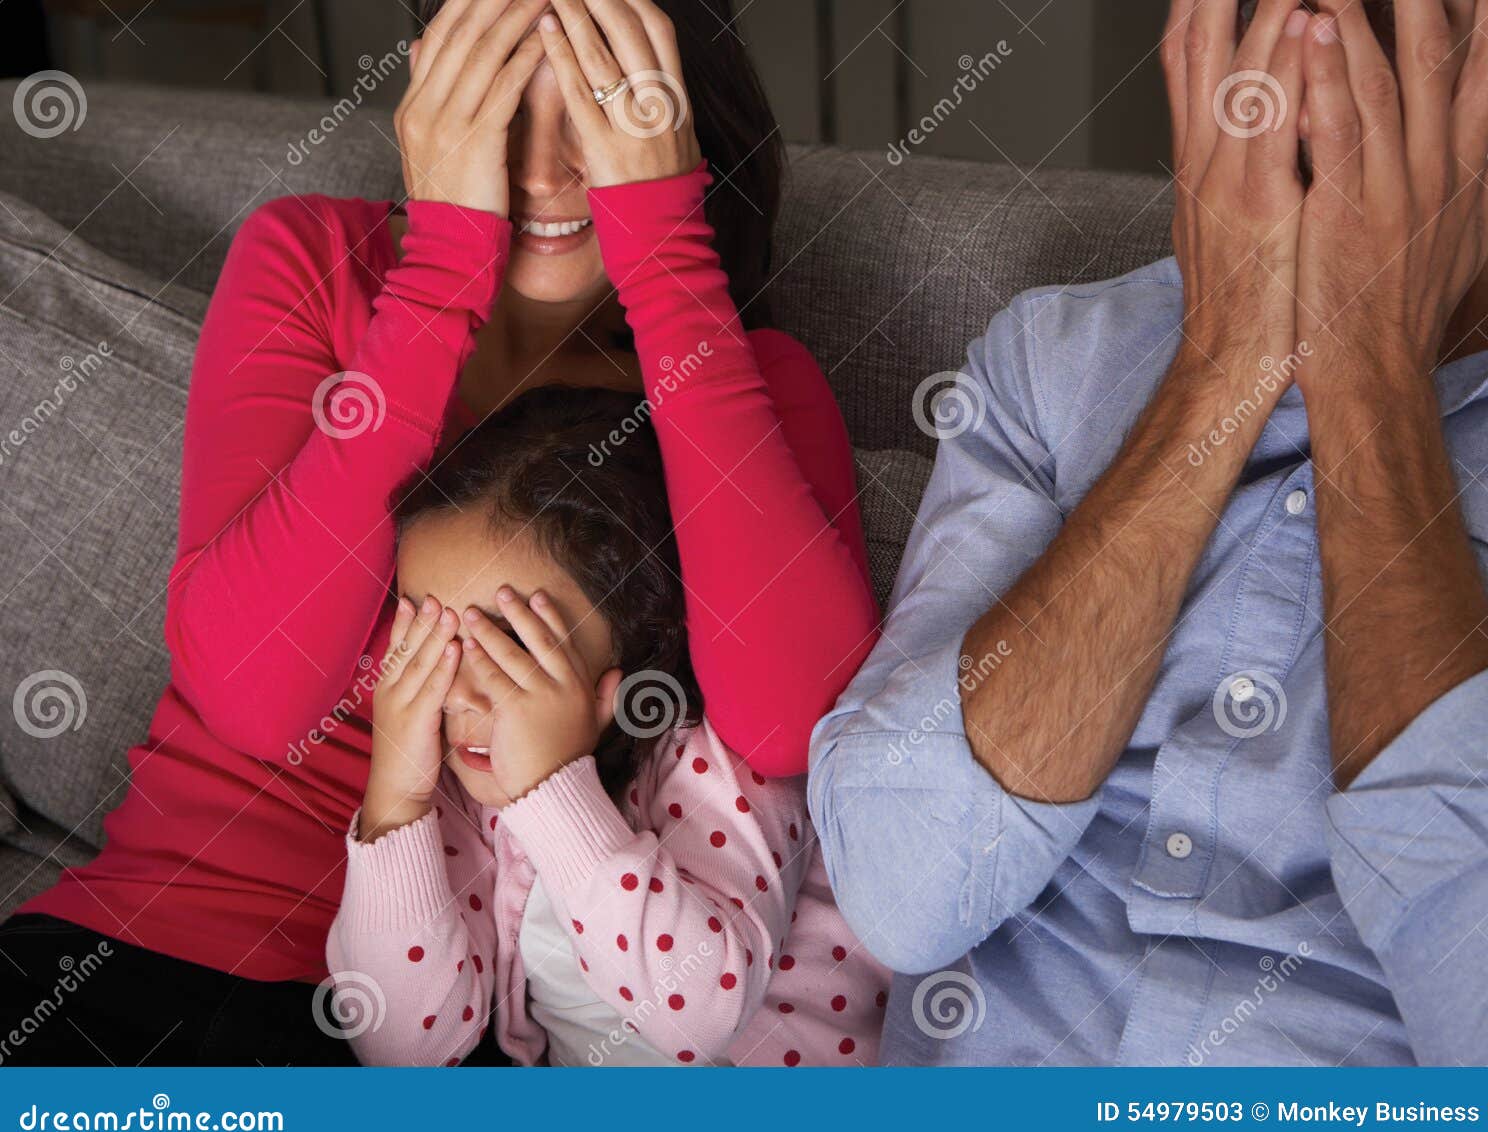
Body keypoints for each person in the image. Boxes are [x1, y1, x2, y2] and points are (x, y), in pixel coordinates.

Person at [0, 0, 877, 1064]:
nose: (546, 174)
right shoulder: (313, 262)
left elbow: (793, 726)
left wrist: (670, 260)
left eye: (598, 115)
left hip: (471, 1023)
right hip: (164, 936)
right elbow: (253, 691)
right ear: (437, 104)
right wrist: (442, 266)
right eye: (503, 106)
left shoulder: (747, 379)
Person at [811, 0, 1488, 1065]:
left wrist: (1368, 365)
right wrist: (1220, 362)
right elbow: (900, 893)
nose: (1317, 53)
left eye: (1373, 21)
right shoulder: (1049, 361)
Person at [325, 388, 885, 1068]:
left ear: (629, 642)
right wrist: (394, 800)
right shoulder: (462, 795)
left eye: (508, 647)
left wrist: (553, 789)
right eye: (427, 641)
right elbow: (402, 1046)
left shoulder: (719, 758)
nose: (459, 693)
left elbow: (703, 1013)